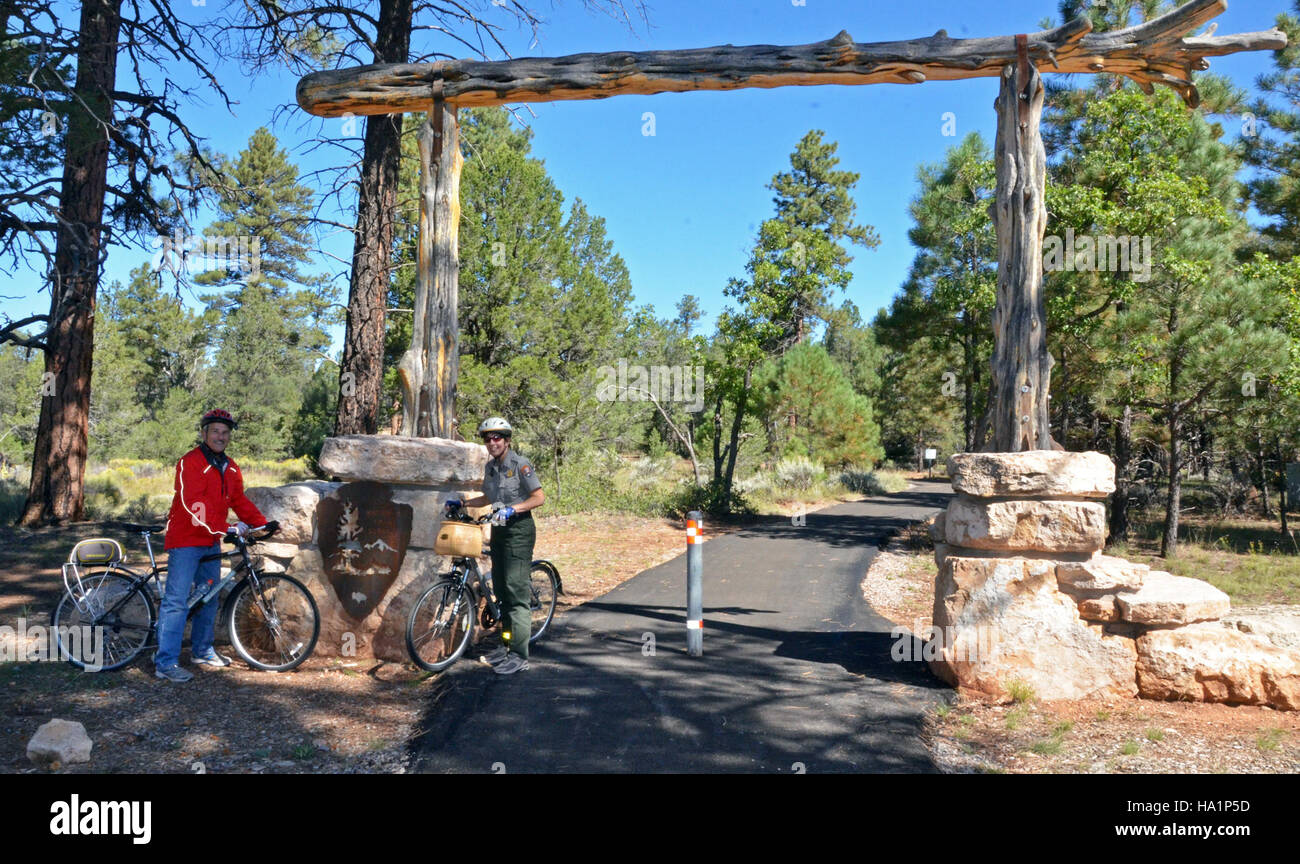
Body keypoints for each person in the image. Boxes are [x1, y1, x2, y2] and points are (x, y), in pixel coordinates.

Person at [154, 409, 268, 682]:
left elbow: (238, 500)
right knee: (176, 602)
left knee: (209, 597)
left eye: (225, 432)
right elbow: (194, 505)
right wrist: (226, 527)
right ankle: (165, 663)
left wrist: (262, 523)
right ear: (204, 433)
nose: (221, 436)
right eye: (215, 431)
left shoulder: (231, 467)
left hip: (210, 541)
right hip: (185, 540)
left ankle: (202, 650)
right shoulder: (189, 462)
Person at [444, 416, 545, 675]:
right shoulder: (491, 468)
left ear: (507, 440)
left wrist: (514, 509)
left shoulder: (521, 465)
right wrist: (464, 503)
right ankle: (507, 644)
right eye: (487, 438)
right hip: (499, 531)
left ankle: (519, 655)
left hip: (519, 532)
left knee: (515, 593)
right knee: (501, 591)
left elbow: (538, 497)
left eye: (497, 437)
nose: (492, 442)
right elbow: (488, 497)